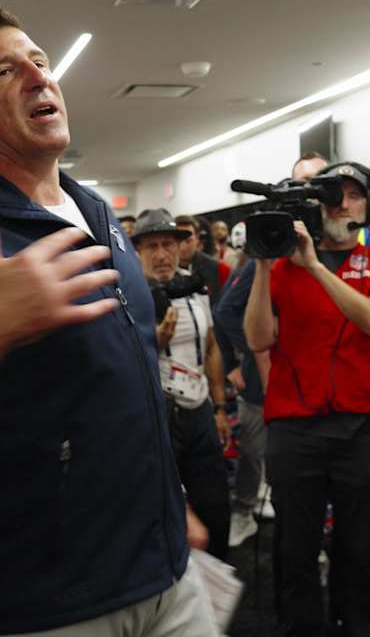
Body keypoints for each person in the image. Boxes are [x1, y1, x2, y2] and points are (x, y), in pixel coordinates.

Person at [0, 5, 216, 636]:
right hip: (36, 605)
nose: (37, 76)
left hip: (164, 573)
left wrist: (166, 499)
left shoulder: (96, 212)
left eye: (40, 61)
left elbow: (120, 382)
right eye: (4, 71)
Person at [245, 161, 370, 637]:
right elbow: (258, 339)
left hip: (363, 426)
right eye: (332, 195)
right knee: (294, 547)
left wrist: (315, 267)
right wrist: (262, 263)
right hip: (296, 426)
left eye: (353, 195)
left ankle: (364, 627)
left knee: (361, 546)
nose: (341, 204)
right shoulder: (281, 269)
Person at [217, 151, 327, 548]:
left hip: (317, 383)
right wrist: (246, 354)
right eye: (301, 183)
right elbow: (227, 310)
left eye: (317, 183)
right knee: (254, 451)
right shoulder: (272, 249)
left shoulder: (340, 250)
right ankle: (244, 511)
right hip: (263, 381)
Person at [133, 209, 232, 560]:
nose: (162, 254)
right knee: (161, 506)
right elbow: (122, 363)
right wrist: (155, 343)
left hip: (200, 407)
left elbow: (211, 347)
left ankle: (215, 576)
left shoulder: (194, 287)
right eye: (152, 246)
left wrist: (219, 407)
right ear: (138, 251)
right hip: (157, 414)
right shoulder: (128, 295)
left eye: (168, 245)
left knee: (214, 502)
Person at [176, 214, 230, 306]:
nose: (183, 247)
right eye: (178, 241)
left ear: (197, 239)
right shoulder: (165, 274)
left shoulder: (220, 269)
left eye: (188, 241)